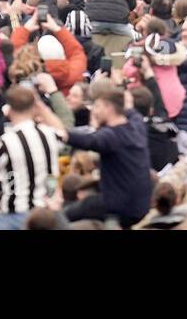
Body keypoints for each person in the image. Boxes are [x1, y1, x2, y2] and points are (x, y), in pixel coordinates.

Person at [51, 86, 152, 226]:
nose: (94, 111)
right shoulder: (137, 125)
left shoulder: (111, 136)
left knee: (60, 217)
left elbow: (89, 140)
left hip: (120, 207)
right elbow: (132, 112)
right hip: (140, 205)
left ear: (108, 108)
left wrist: (62, 134)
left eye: (97, 106)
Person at [0, 86, 61, 230]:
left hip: (15, 217)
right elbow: (63, 131)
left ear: (8, 109)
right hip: (47, 215)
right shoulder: (50, 134)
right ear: (34, 107)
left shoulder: (5, 142)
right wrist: (41, 106)